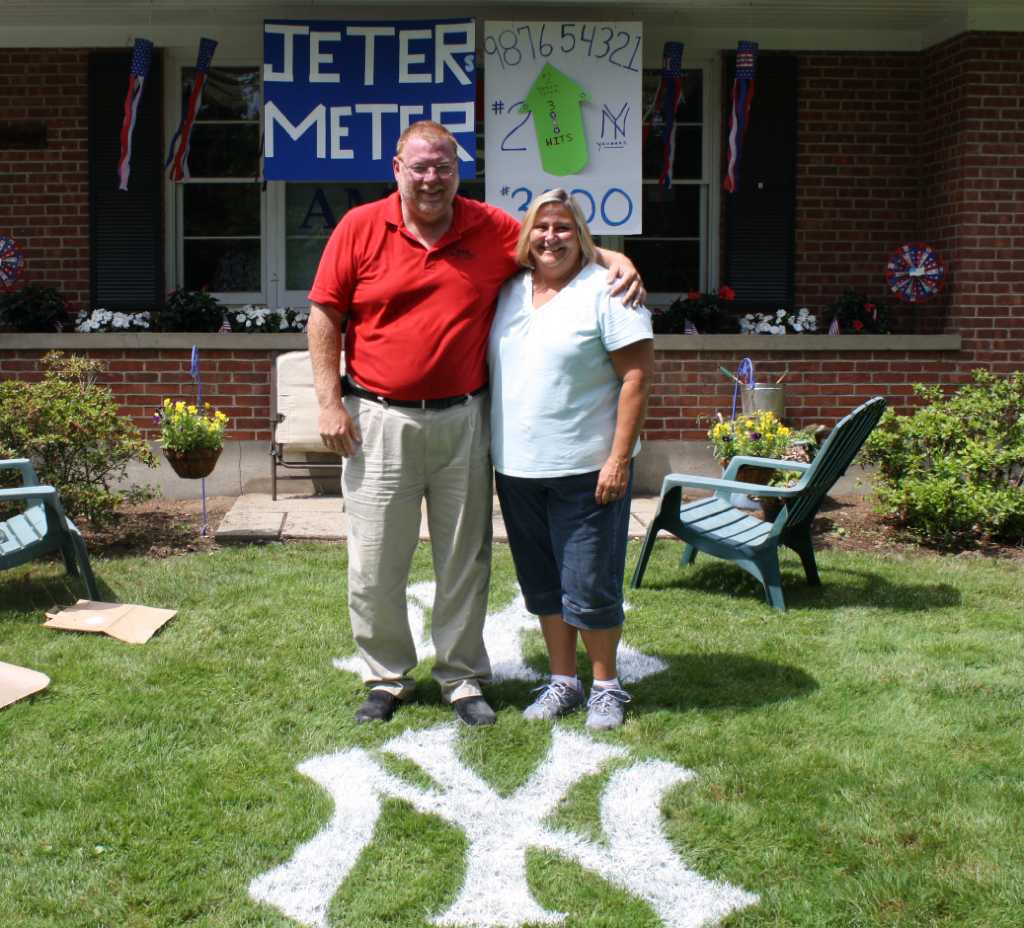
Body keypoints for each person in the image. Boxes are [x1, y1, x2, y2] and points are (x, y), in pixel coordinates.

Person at [307, 121, 644, 727]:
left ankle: (461, 678)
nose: (432, 178)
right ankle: (386, 675)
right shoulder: (359, 227)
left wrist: (616, 256)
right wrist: (329, 402)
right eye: (420, 167)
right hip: (378, 420)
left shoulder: (489, 228)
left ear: (458, 170)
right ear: (397, 168)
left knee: (464, 558)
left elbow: (559, 238)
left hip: (465, 418)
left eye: (444, 166)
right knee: (376, 560)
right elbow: (324, 315)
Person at [488, 188, 654, 731]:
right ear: (526, 236)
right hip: (517, 469)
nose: (550, 237)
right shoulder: (508, 291)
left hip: (587, 468)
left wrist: (619, 458)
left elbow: (635, 376)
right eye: (541, 227)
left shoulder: (607, 290)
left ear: (581, 235)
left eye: (562, 227)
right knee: (543, 583)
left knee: (590, 582)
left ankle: (606, 686)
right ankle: (563, 681)